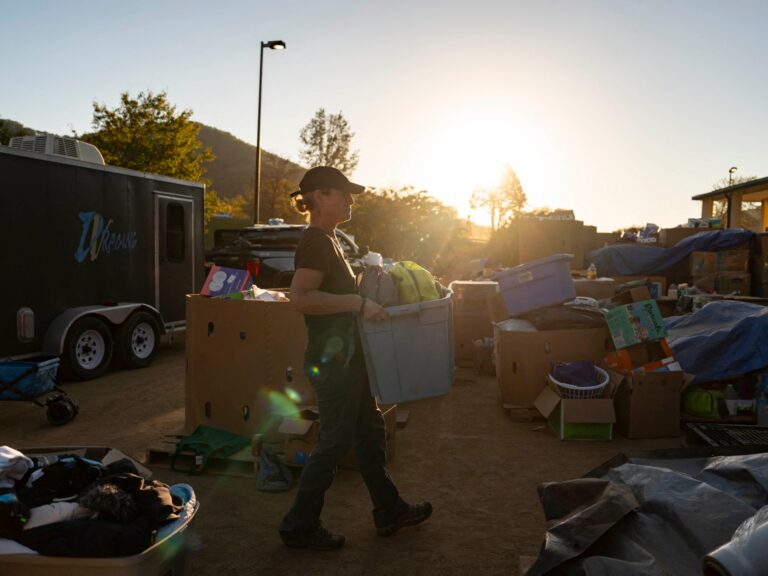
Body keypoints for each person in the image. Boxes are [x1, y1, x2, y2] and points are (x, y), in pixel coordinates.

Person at [279, 166, 432, 551]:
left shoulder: (331, 240)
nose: (349, 200)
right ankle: (299, 525)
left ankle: (389, 509)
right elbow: (300, 299)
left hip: (348, 359)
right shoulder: (315, 241)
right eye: (342, 193)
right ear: (318, 197)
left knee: (367, 433)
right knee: (333, 442)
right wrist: (357, 302)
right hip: (335, 364)